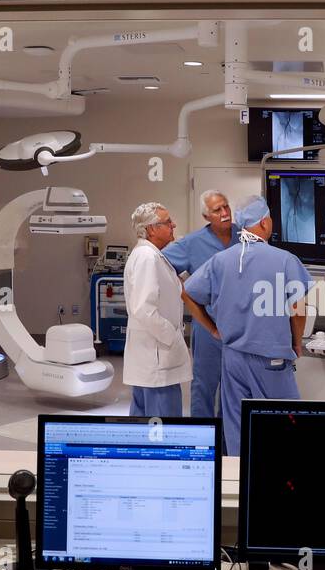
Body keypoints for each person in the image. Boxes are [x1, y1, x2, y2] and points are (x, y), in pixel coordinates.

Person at [183, 195, 312, 454]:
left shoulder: (221, 261)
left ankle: (239, 483)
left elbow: (187, 293)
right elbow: (298, 310)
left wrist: (212, 328)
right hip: (271, 360)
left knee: (237, 426)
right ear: (264, 223)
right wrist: (296, 343)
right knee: (285, 425)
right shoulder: (284, 260)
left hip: (233, 358)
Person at [162, 190, 234, 421]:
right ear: (206, 217)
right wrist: (184, 291)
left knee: (234, 390)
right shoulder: (192, 244)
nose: (224, 213)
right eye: (217, 210)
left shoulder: (244, 236)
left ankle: (229, 444)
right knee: (204, 385)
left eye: (226, 207)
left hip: (240, 327)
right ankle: (203, 439)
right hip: (209, 327)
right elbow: (160, 262)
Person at [122, 202, 192, 418]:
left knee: (144, 423)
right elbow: (144, 309)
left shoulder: (151, 255)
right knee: (163, 427)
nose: (174, 225)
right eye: (167, 222)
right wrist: (171, 336)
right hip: (157, 357)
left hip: (150, 357)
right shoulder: (147, 257)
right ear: (151, 229)